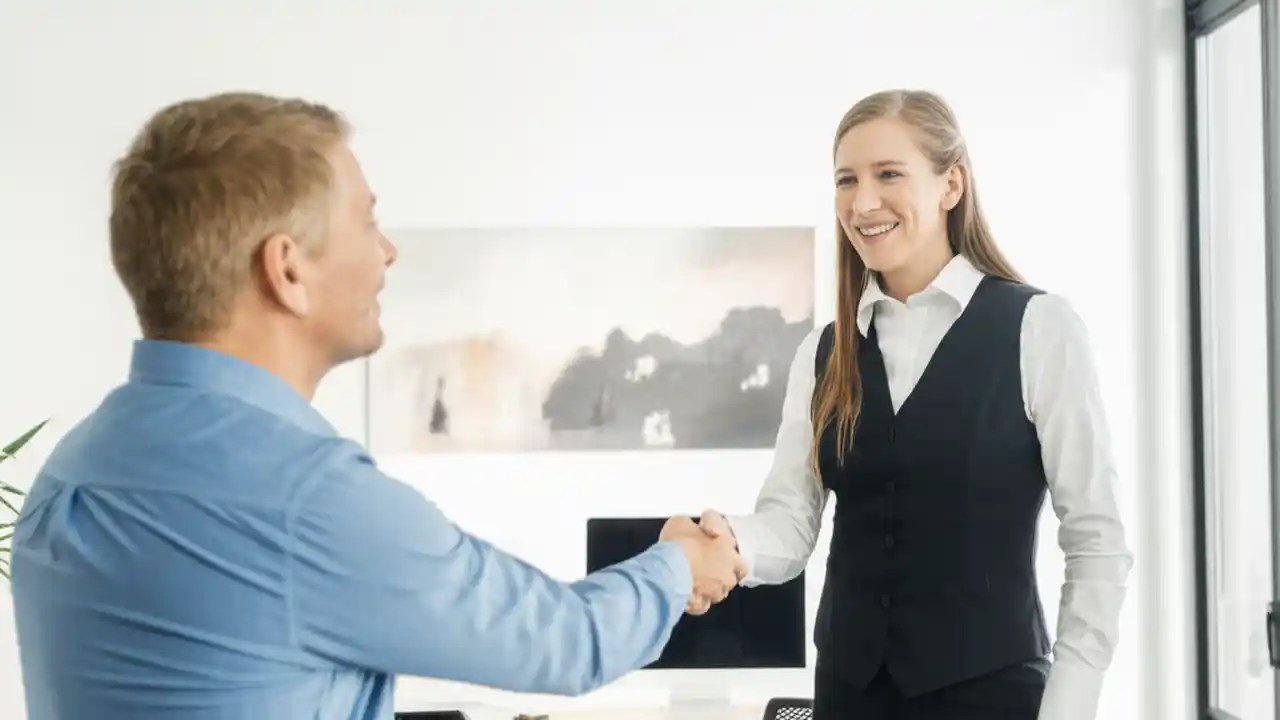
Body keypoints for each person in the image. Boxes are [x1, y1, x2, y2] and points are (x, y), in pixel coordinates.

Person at [10, 92, 745, 720]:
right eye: (366, 221)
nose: (388, 251)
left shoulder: (76, 469)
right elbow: (566, 639)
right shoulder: (303, 499)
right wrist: (679, 562)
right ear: (288, 269)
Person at [690, 89, 1133, 719]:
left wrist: (1068, 707)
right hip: (849, 697)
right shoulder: (823, 353)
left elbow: (1097, 540)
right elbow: (791, 523)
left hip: (994, 699)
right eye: (847, 180)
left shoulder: (1039, 328)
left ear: (951, 185)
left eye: (888, 174)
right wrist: (728, 542)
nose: (862, 202)